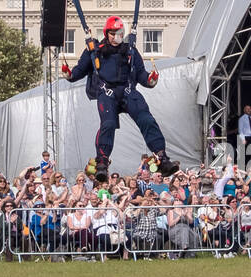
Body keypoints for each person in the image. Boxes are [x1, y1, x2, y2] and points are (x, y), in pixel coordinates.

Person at [62, 16, 177, 180]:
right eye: (114, 33)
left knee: (146, 119)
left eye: (120, 33)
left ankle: (161, 157)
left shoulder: (130, 50)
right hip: (106, 92)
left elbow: (141, 75)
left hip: (127, 90)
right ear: (107, 33)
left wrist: (150, 80)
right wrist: (68, 73)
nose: (118, 36)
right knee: (108, 124)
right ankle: (102, 162)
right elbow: (77, 72)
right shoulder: (95, 50)